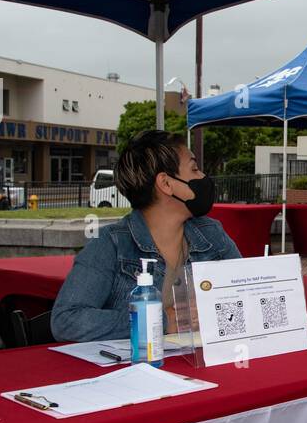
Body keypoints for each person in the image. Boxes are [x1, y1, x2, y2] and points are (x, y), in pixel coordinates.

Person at [52, 130, 240, 341]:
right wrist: (162, 321)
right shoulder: (110, 243)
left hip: (203, 365)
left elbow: (245, 297)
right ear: (166, 184)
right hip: (139, 368)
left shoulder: (211, 234)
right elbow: (66, 320)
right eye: (194, 169)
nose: (204, 177)